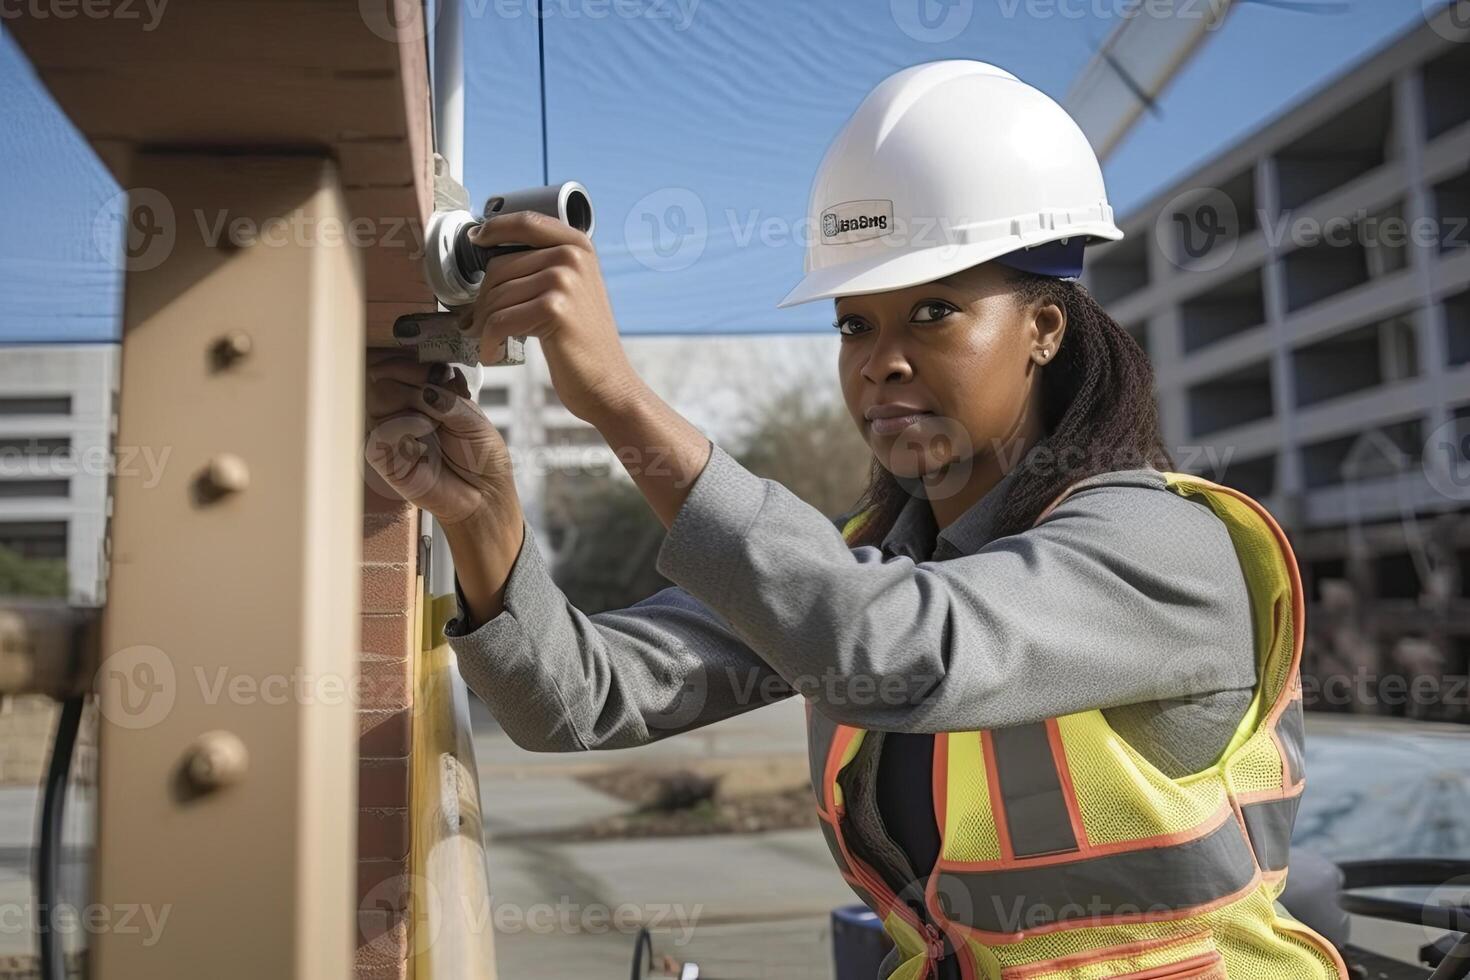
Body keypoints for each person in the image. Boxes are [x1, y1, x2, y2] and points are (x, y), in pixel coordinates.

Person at [366, 59, 1346, 980]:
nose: (882, 359)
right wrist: (483, 515)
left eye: (934, 313)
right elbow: (575, 702)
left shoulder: (1165, 546)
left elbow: (892, 649)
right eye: (854, 323)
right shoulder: (855, 568)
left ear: (1044, 327)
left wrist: (621, 400)